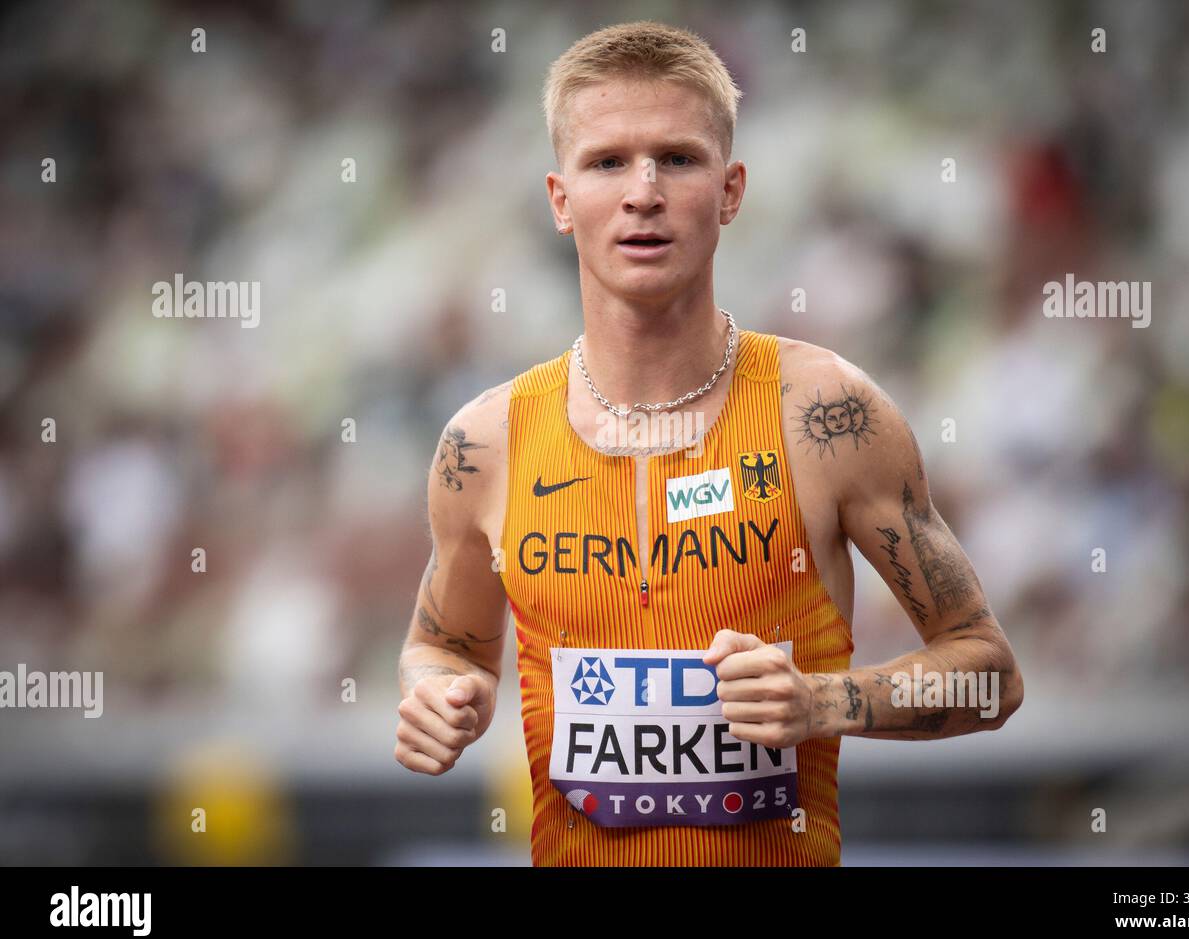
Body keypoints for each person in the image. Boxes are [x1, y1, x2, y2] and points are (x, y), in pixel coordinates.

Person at [395, 20, 1023, 866]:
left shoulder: (827, 415)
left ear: (730, 191)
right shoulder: (486, 444)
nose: (643, 192)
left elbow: (990, 674)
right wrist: (440, 694)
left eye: (678, 159)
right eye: (607, 161)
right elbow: (444, 646)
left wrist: (824, 702)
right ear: (559, 197)